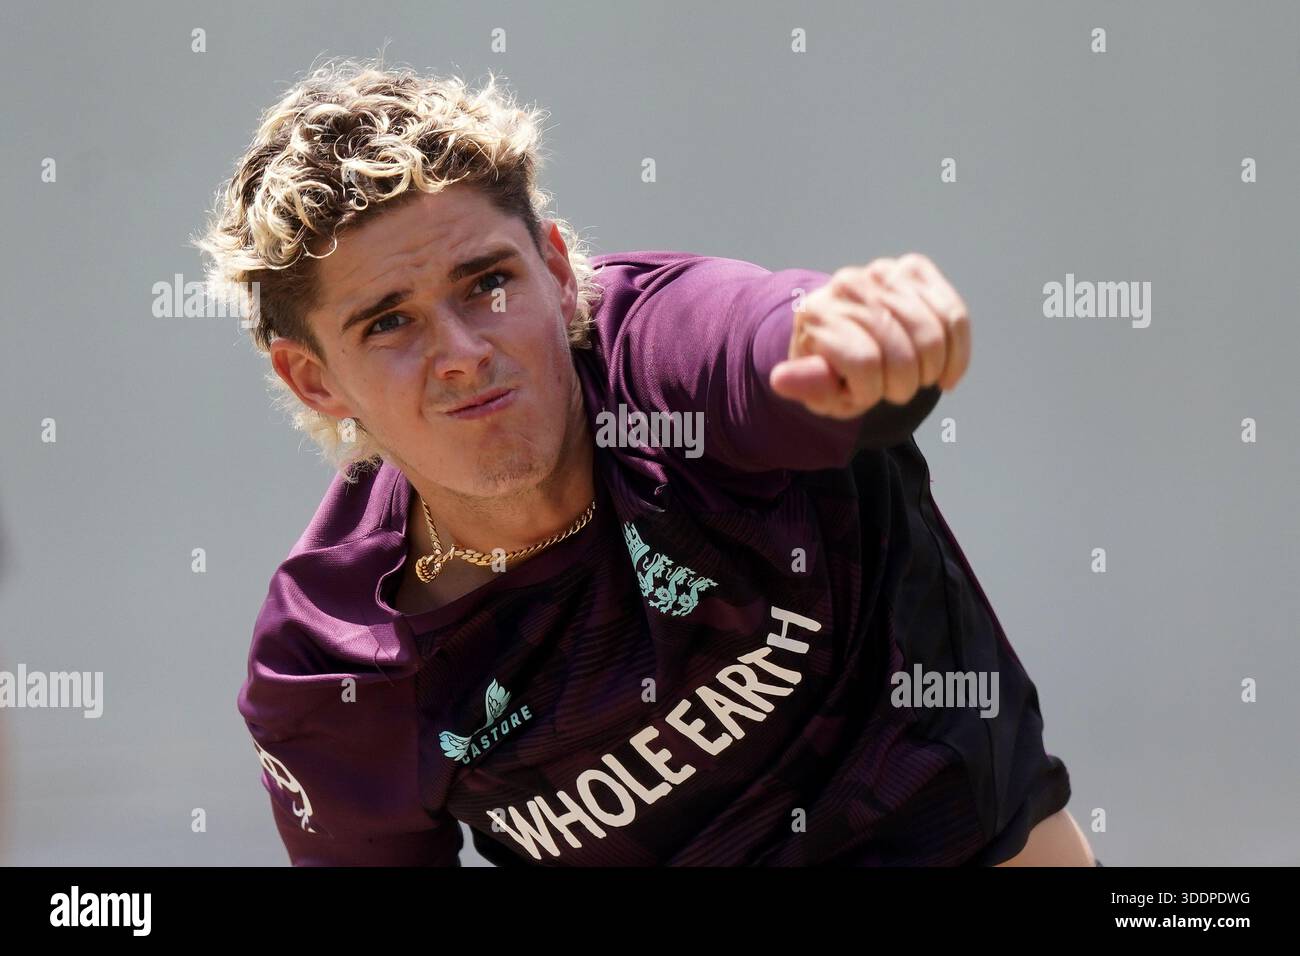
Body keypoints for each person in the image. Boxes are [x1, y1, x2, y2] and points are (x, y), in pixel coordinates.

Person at [197, 58, 1098, 867]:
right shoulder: (335, 664)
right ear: (313, 379)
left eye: (488, 282)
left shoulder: (666, 369)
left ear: (556, 271)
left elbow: (769, 344)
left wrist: (861, 344)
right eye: (388, 321)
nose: (463, 350)